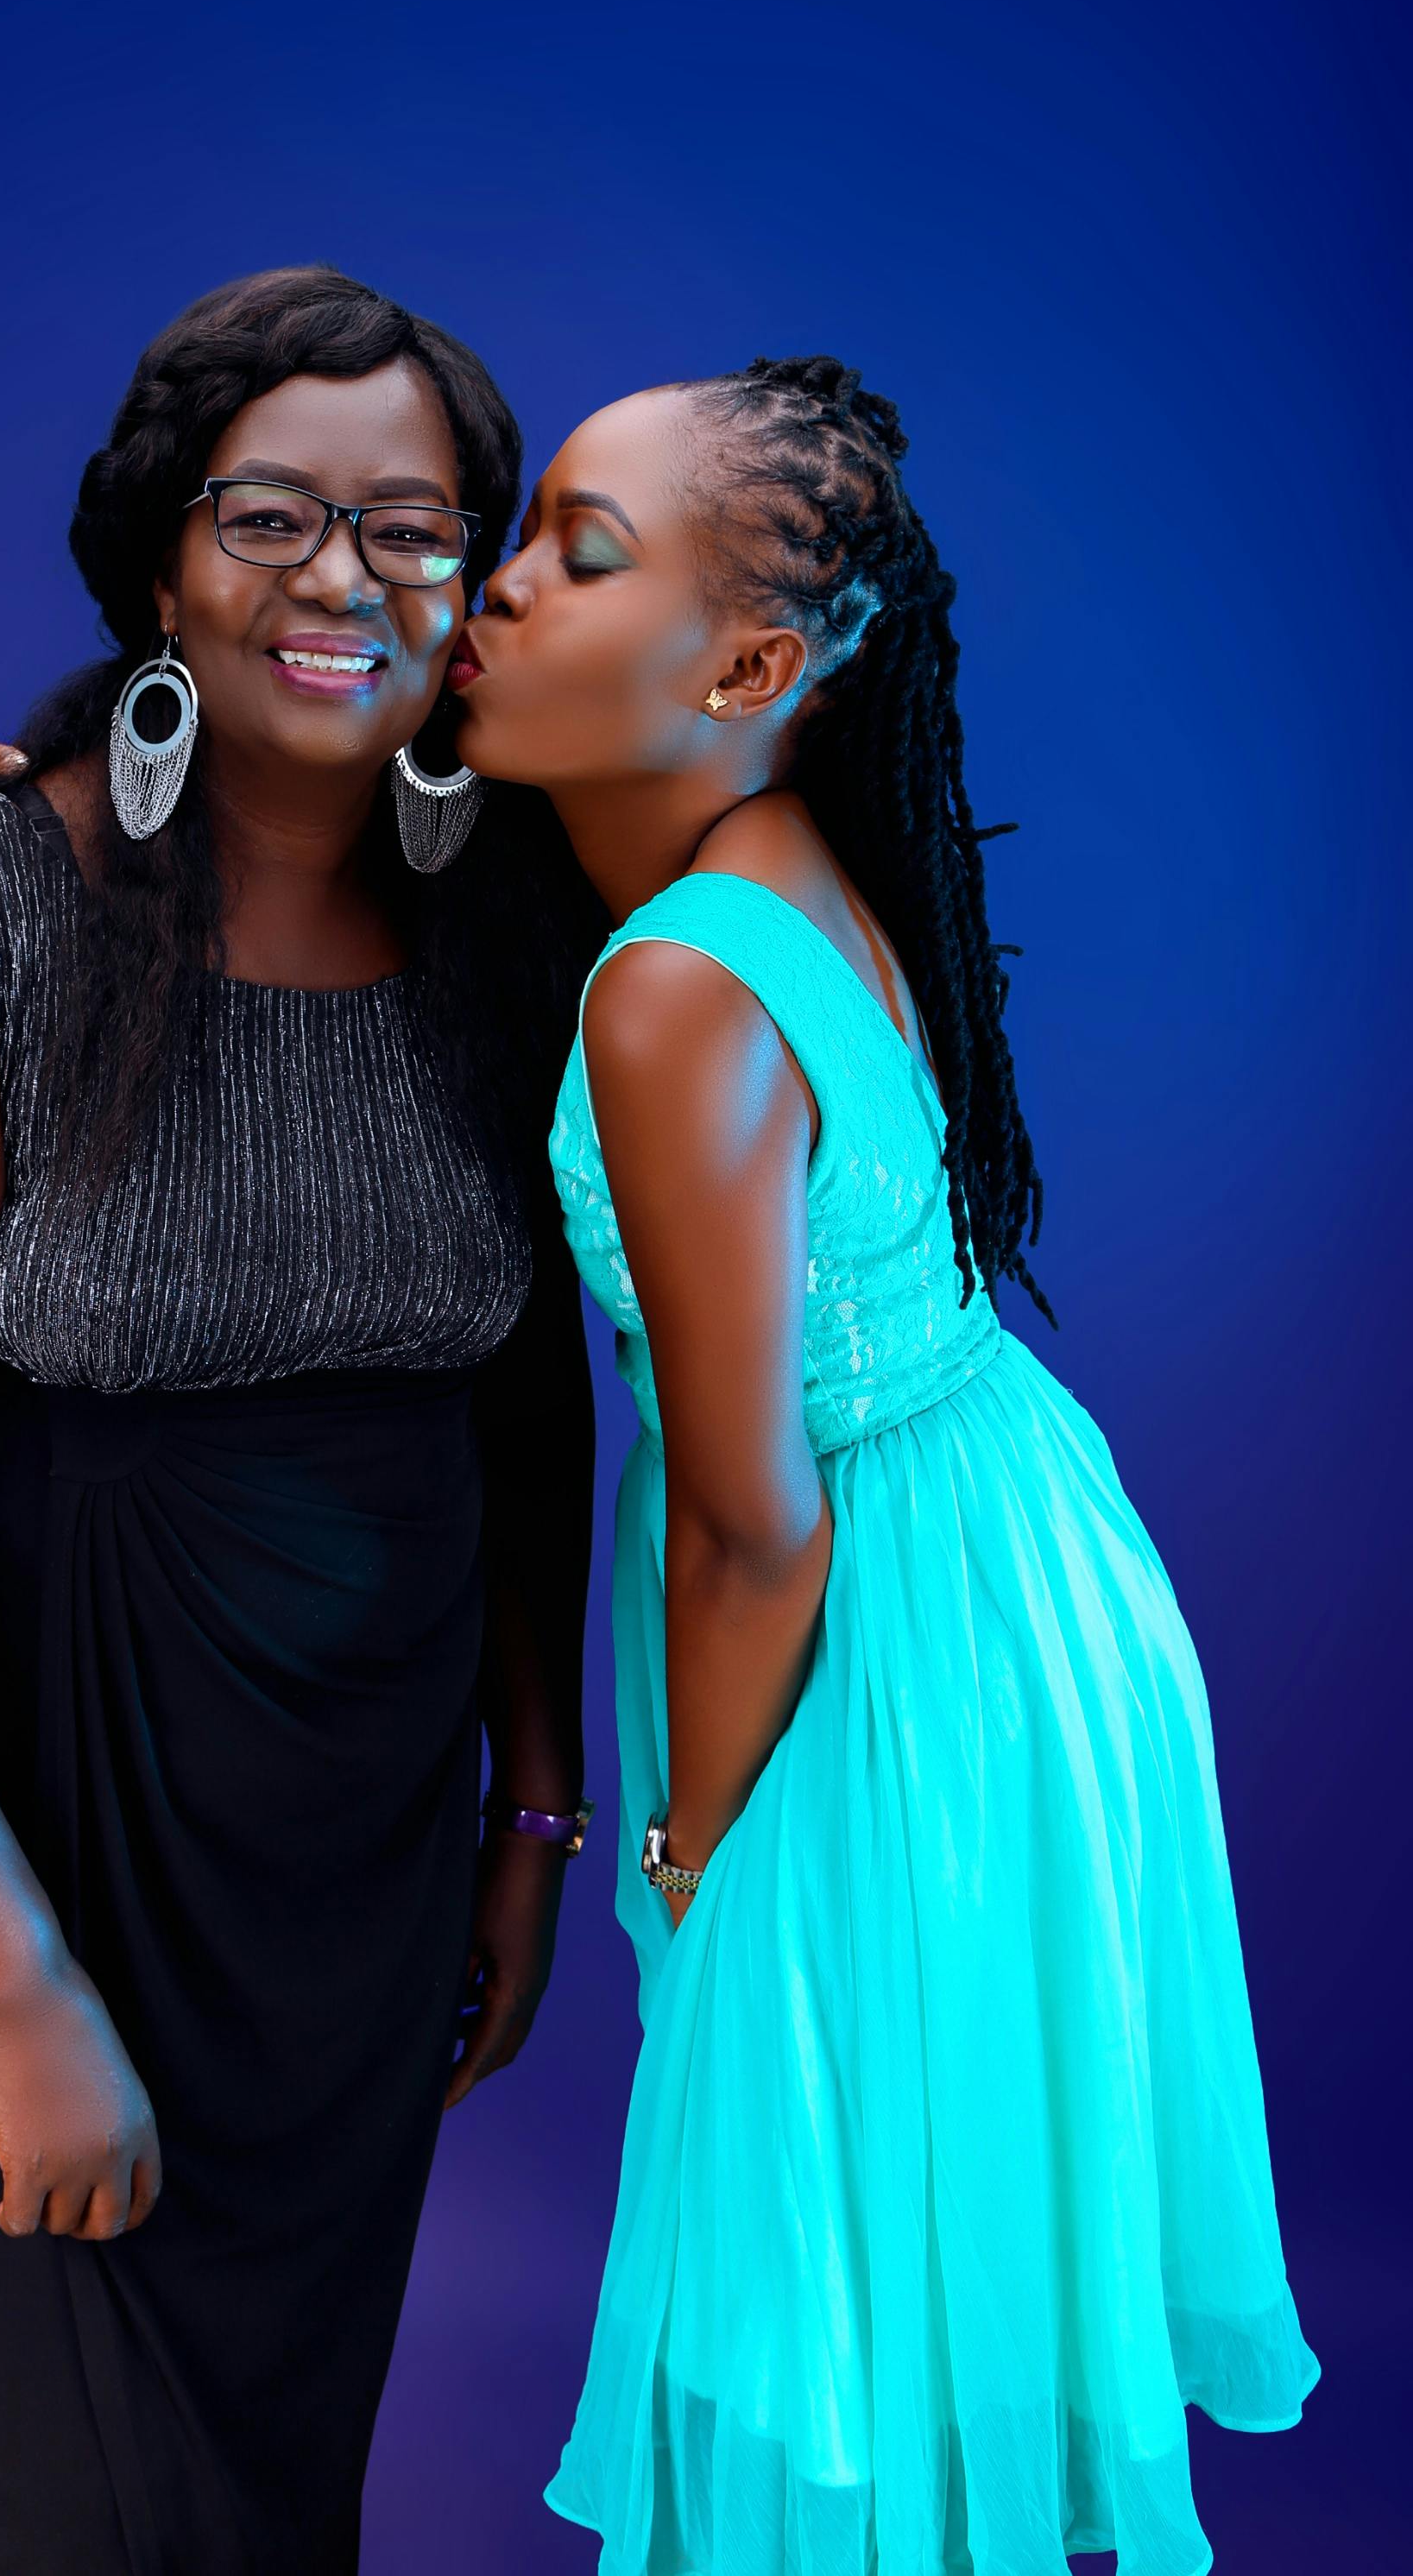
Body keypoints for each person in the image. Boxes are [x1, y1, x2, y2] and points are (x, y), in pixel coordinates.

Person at [0, 265, 598, 2576]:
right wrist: (9, 1991)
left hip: (359, 1858)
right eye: (270, 512)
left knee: (277, 2504)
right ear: (161, 558)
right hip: (52, 1821)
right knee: (71, 2509)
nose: (339, 579)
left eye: (414, 527)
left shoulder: (511, 932)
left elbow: (512, 1401)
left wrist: (530, 1802)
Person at [445, 355, 1319, 2573]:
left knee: (813, 2212)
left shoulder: (666, 993)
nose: (495, 581)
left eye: (574, 548)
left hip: (862, 1631)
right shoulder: (768, 862)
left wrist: (683, 1849)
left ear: (745, 666)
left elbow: (750, 1517)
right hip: (1011, 1541)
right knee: (913, 2231)